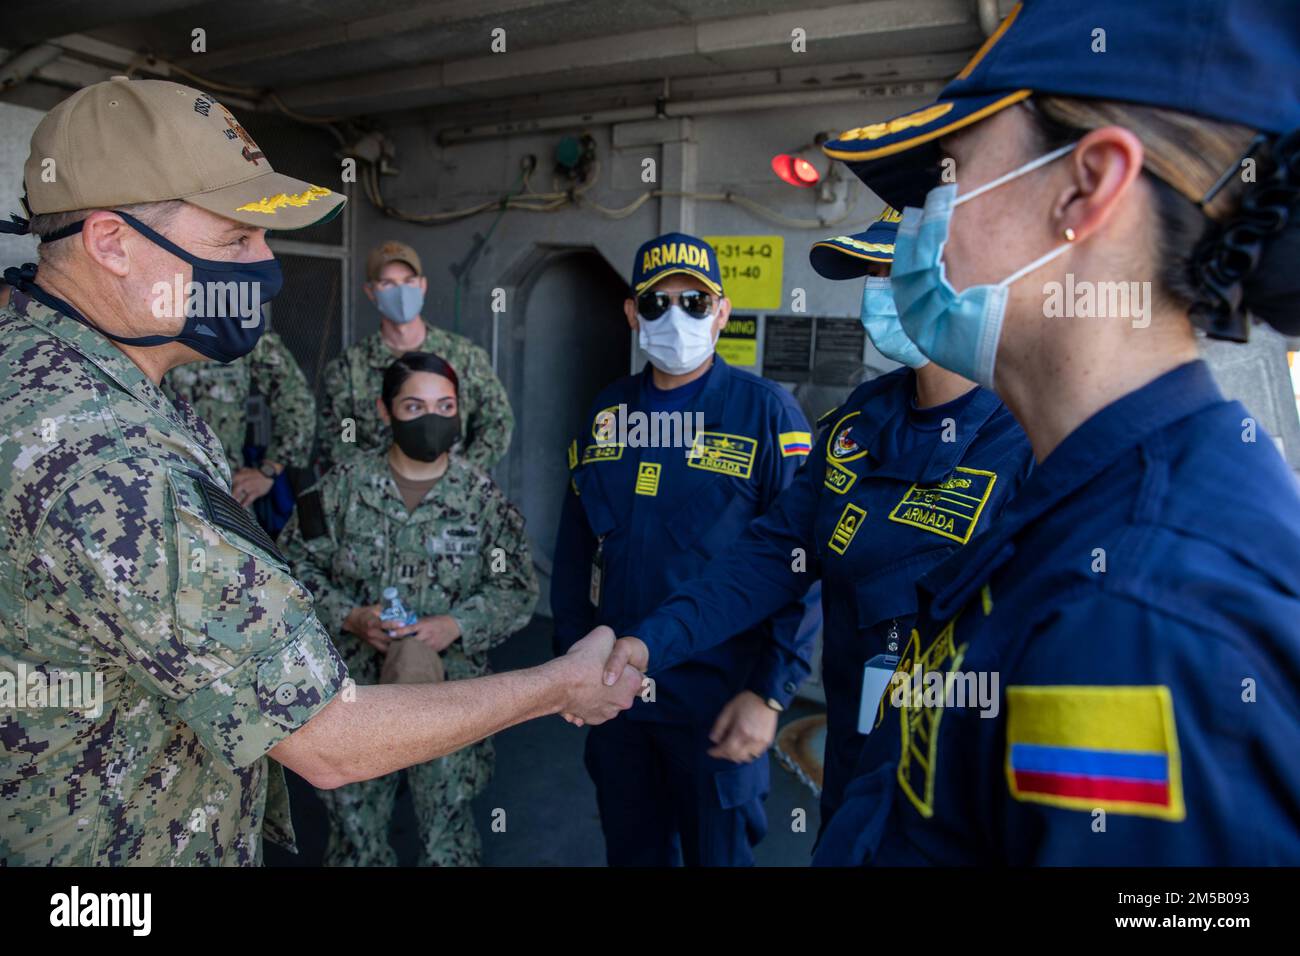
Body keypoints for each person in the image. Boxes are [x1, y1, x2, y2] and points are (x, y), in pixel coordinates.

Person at [0, 77, 640, 866]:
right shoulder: (107, 457)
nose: (267, 266)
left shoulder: (47, 369)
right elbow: (331, 741)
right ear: (110, 241)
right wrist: (557, 684)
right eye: (236, 240)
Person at [789, 0, 1300, 863]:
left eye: (948, 174)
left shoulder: (1143, 616)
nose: (917, 229)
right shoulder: (1081, 503)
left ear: (1085, 188)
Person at [591, 207, 1033, 833]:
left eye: (896, 272)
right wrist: (645, 644)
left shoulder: (1033, 437)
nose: (881, 294)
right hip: (858, 764)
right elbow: (769, 558)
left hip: (965, 785)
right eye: (871, 276)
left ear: (964, 277)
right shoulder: (860, 422)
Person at [551, 232, 816, 866]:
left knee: (717, 858)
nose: (677, 317)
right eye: (657, 303)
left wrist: (771, 693)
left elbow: (800, 567)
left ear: (722, 313)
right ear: (631, 314)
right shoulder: (607, 413)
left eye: (695, 304)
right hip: (617, 697)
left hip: (718, 702)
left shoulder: (768, 415)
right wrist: (567, 661)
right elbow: (574, 549)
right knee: (632, 852)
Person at [280, 351, 536, 866]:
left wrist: (455, 624)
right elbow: (290, 574)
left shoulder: (482, 498)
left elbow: (517, 589)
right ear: (385, 410)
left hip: (450, 690)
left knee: (448, 827)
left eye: (445, 406)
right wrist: (351, 616)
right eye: (414, 406)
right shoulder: (339, 490)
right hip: (355, 691)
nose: (432, 419)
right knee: (355, 831)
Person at [317, 240, 514, 472]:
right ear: (371, 292)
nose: (401, 292)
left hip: (450, 499)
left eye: (408, 282)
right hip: (377, 498)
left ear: (422, 286)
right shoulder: (349, 368)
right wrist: (370, 479)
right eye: (388, 283)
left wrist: (463, 474)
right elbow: (341, 431)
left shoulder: (464, 356)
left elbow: (497, 421)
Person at [163, 329, 316, 518]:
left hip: (223, 498)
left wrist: (270, 469)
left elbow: (296, 398)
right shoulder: (136, 317)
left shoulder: (236, 322)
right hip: (145, 492)